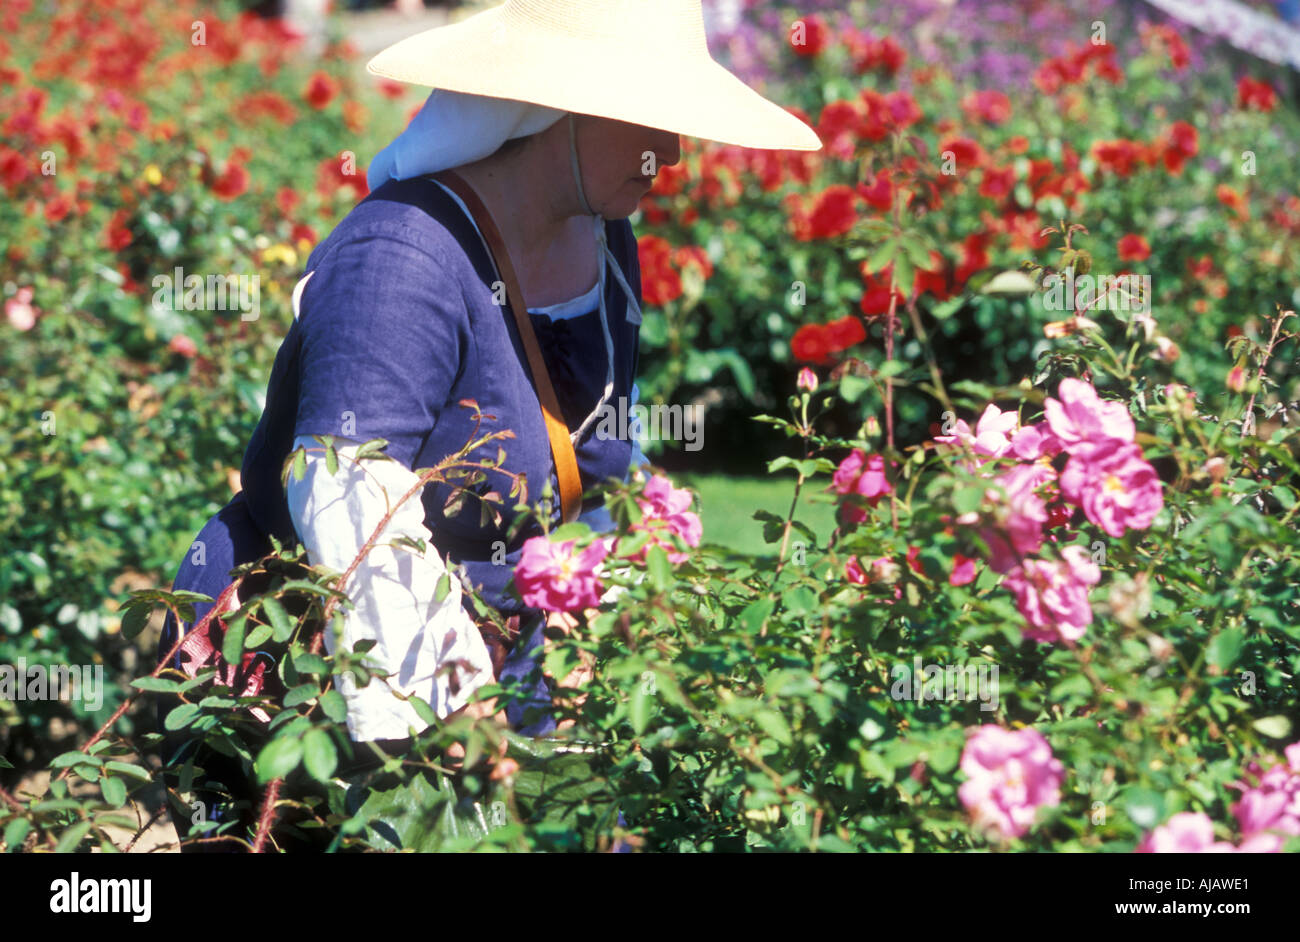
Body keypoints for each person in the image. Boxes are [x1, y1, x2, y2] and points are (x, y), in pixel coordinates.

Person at [154, 0, 821, 850]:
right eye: (654, 120)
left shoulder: (606, 239)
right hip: (322, 672)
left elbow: (597, 455)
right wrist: (455, 710)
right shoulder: (400, 257)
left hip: (507, 675)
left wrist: (627, 613)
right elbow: (349, 496)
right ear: (556, 109)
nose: (676, 154)